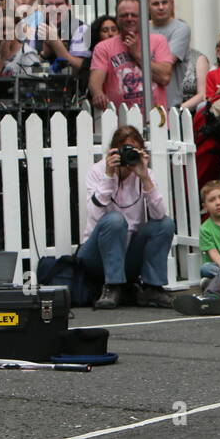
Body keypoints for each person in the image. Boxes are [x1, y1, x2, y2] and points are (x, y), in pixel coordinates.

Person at [78, 125, 176, 309]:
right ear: (113, 151)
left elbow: (159, 215)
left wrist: (145, 178)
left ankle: (152, 288)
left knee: (166, 224)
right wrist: (109, 175)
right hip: (96, 254)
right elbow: (96, 215)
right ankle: (112, 286)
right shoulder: (97, 172)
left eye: (134, 151)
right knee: (115, 220)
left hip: (127, 255)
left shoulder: (144, 174)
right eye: (125, 151)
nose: (129, 156)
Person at [88, 0, 174, 111]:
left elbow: (164, 77)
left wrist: (136, 54)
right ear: (117, 18)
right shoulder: (103, 47)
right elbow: (95, 80)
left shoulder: (158, 41)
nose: (129, 18)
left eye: (134, 15)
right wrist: (97, 93)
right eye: (124, 15)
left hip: (156, 119)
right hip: (120, 120)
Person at [148, 0, 192, 88]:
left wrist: (138, 59)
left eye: (164, 2)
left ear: (171, 3)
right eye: (155, 4)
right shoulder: (142, 29)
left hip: (171, 99)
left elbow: (165, 65)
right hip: (146, 97)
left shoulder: (181, 28)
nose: (161, 7)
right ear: (147, 6)